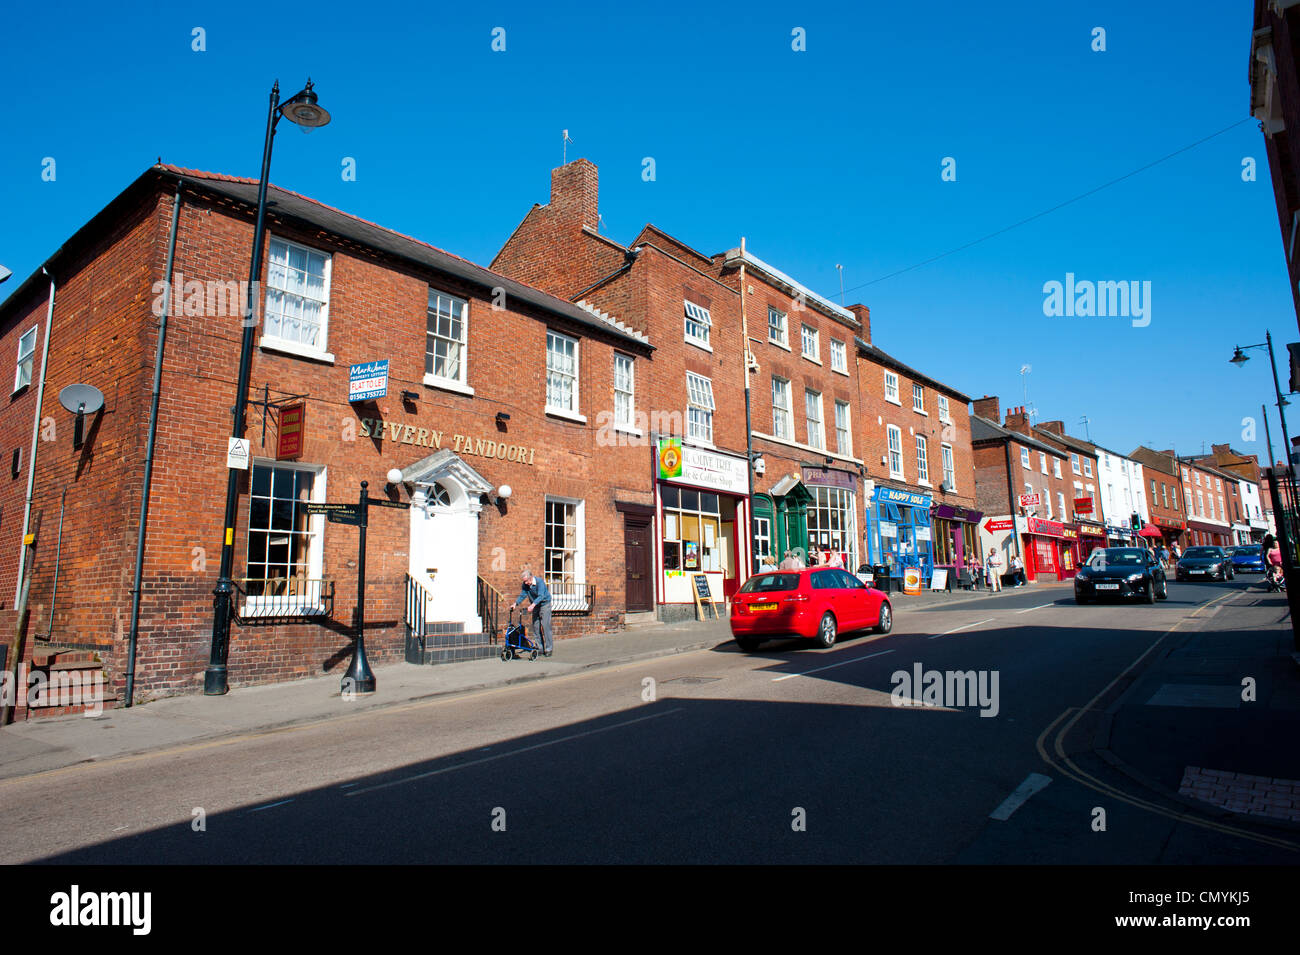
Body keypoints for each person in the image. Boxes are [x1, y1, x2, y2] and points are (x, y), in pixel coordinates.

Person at [513, 568, 553, 657]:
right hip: (535, 606)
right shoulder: (525, 585)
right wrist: (516, 603)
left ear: (531, 577)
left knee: (545, 626)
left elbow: (541, 596)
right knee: (536, 627)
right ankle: (540, 648)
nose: (526, 583)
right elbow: (523, 594)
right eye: (524, 581)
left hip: (544, 604)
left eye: (527, 581)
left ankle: (549, 648)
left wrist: (532, 605)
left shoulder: (539, 582)